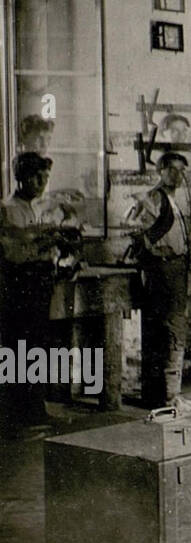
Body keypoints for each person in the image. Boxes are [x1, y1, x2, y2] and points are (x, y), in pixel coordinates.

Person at [0, 153, 72, 436]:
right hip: (18, 285)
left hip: (40, 282)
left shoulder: (39, 208)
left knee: (38, 348)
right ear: (21, 177)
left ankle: (35, 410)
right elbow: (13, 249)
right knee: (18, 350)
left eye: (45, 177)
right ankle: (15, 418)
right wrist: (43, 237)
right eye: (36, 176)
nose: (42, 183)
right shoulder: (7, 209)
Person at [129, 152, 191, 410]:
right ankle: (168, 398)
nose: (178, 174)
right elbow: (137, 231)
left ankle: (162, 396)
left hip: (175, 269)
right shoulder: (155, 197)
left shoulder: (172, 199)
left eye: (182, 170)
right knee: (171, 332)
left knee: (166, 332)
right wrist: (157, 255)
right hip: (164, 271)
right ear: (160, 171)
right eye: (172, 169)